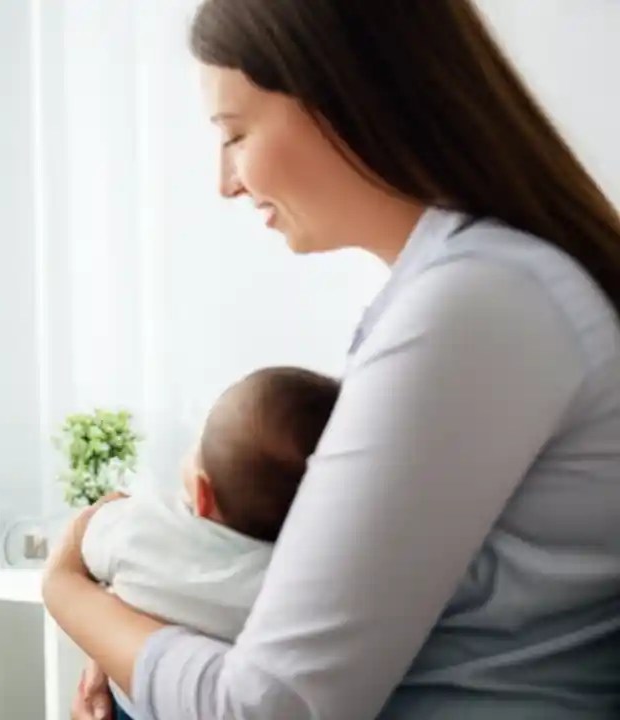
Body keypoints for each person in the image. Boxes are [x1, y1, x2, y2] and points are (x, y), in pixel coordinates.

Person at [42, 1, 620, 718]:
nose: (226, 181)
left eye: (235, 134)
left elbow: (272, 707)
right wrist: (134, 638)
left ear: (342, 96)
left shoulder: (478, 303)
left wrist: (70, 593)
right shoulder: (483, 291)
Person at [80, 367, 339, 720]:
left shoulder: (142, 528)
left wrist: (109, 509)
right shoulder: (302, 587)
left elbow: (87, 537)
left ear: (202, 494)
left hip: (135, 704)